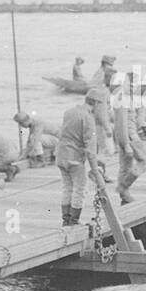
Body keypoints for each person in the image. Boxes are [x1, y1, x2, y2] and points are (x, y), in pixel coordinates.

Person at [56, 86, 107, 225]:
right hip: (74, 159)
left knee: (67, 187)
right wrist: (95, 170)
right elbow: (90, 150)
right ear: (96, 103)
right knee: (80, 188)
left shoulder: (69, 112)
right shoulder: (88, 119)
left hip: (61, 155)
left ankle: (65, 219)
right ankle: (74, 220)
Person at [113, 99, 146, 205]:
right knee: (143, 162)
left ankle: (125, 197)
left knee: (125, 166)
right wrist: (126, 144)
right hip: (129, 135)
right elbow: (122, 123)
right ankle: (123, 187)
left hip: (126, 134)